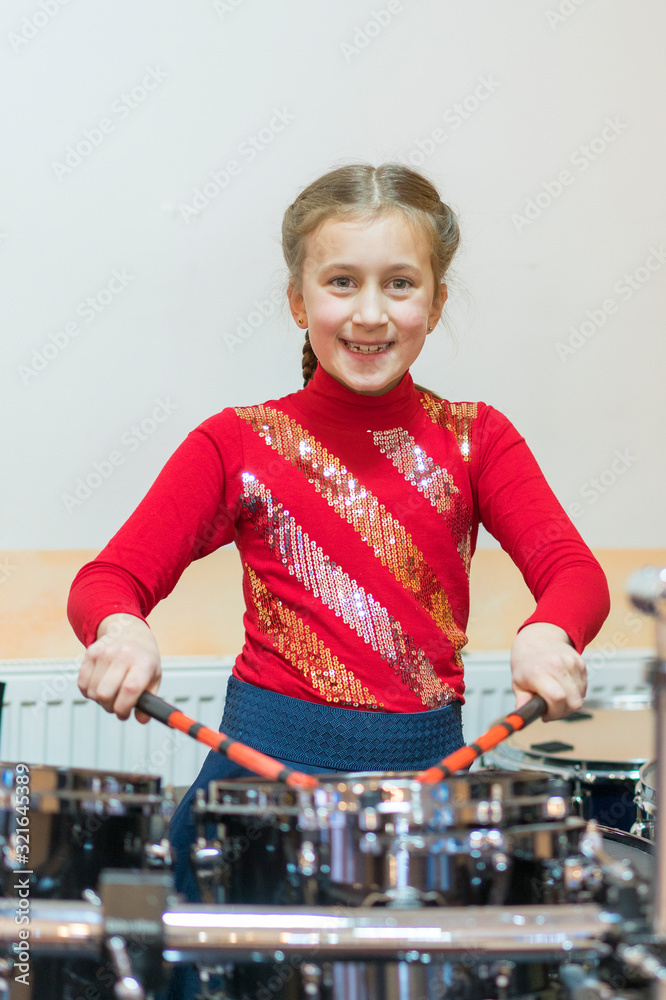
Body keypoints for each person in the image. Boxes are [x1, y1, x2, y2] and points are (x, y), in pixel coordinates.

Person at [67, 162, 610, 995]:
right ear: (298, 300)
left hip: (424, 804)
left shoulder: (478, 440)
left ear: (435, 302)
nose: (370, 313)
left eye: (400, 284)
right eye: (342, 282)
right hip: (257, 800)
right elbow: (110, 578)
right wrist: (121, 627)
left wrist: (548, 630)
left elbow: (573, 572)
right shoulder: (237, 443)